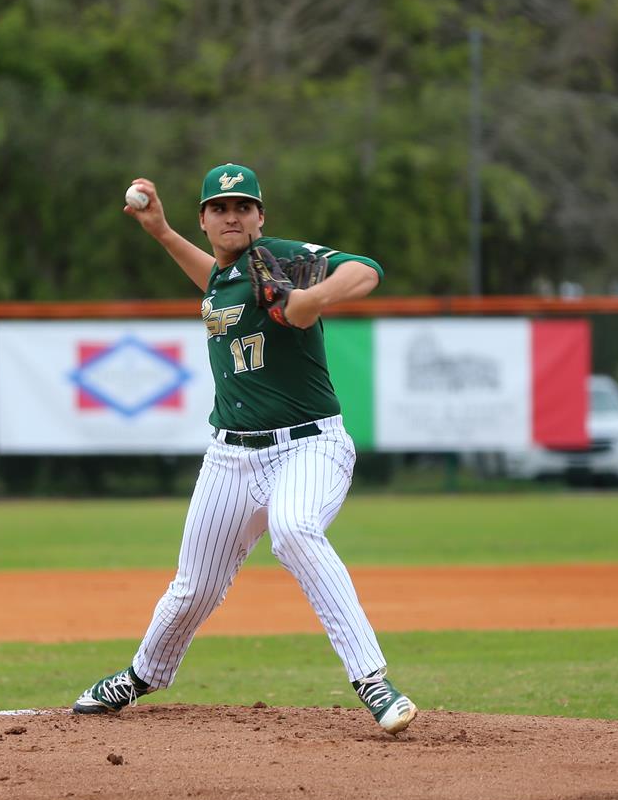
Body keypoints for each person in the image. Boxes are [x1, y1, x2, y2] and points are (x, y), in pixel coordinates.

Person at [69, 163, 418, 735]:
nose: (232, 216)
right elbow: (214, 280)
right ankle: (141, 675)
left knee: (295, 530)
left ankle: (372, 681)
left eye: (243, 207)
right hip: (229, 457)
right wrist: (159, 232)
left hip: (310, 445)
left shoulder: (278, 257)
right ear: (204, 219)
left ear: (260, 216)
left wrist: (313, 299)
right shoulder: (224, 276)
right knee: (193, 587)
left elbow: (368, 270)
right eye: (219, 208)